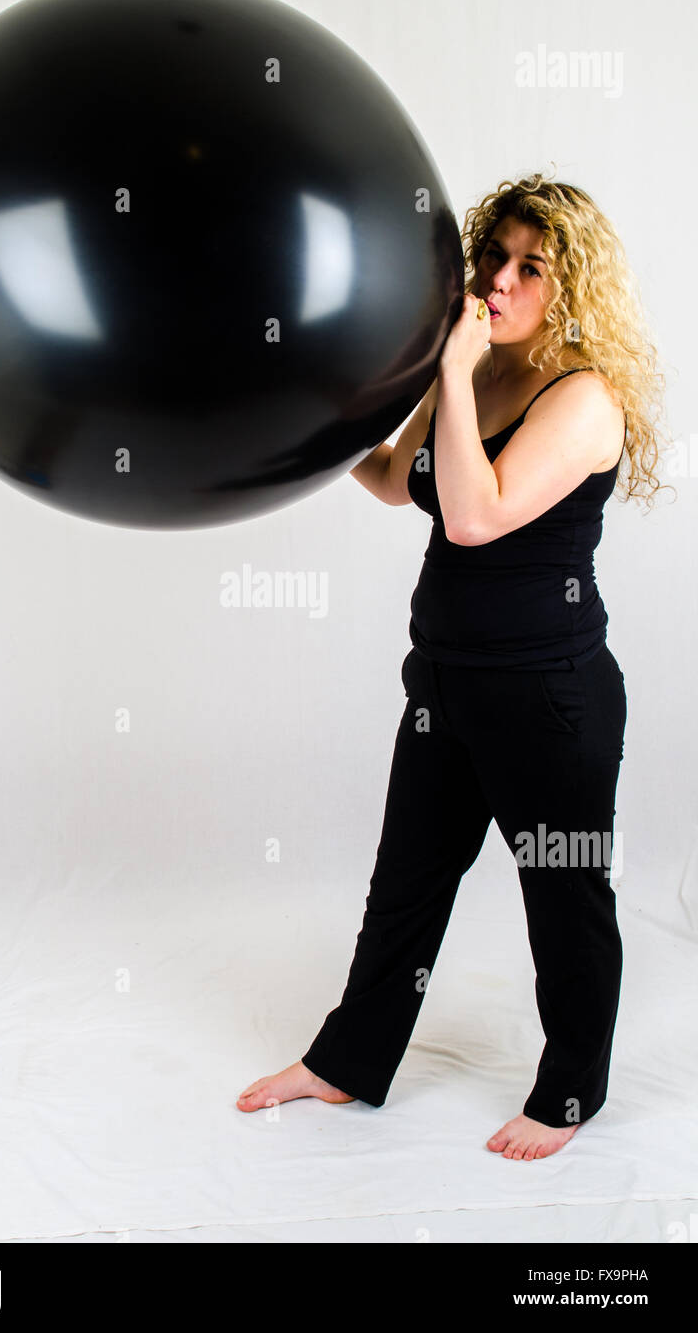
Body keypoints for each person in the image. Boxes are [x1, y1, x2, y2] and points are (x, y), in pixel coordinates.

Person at [237, 172, 670, 1160]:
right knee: (406, 884)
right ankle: (346, 1061)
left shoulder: (581, 398)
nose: (498, 283)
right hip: (441, 683)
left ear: (570, 287)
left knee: (563, 896)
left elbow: (473, 517)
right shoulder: (480, 375)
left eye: (529, 267)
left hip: (548, 697)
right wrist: (309, 423)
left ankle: (569, 1094)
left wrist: (454, 372)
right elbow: (401, 480)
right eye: (491, 259)